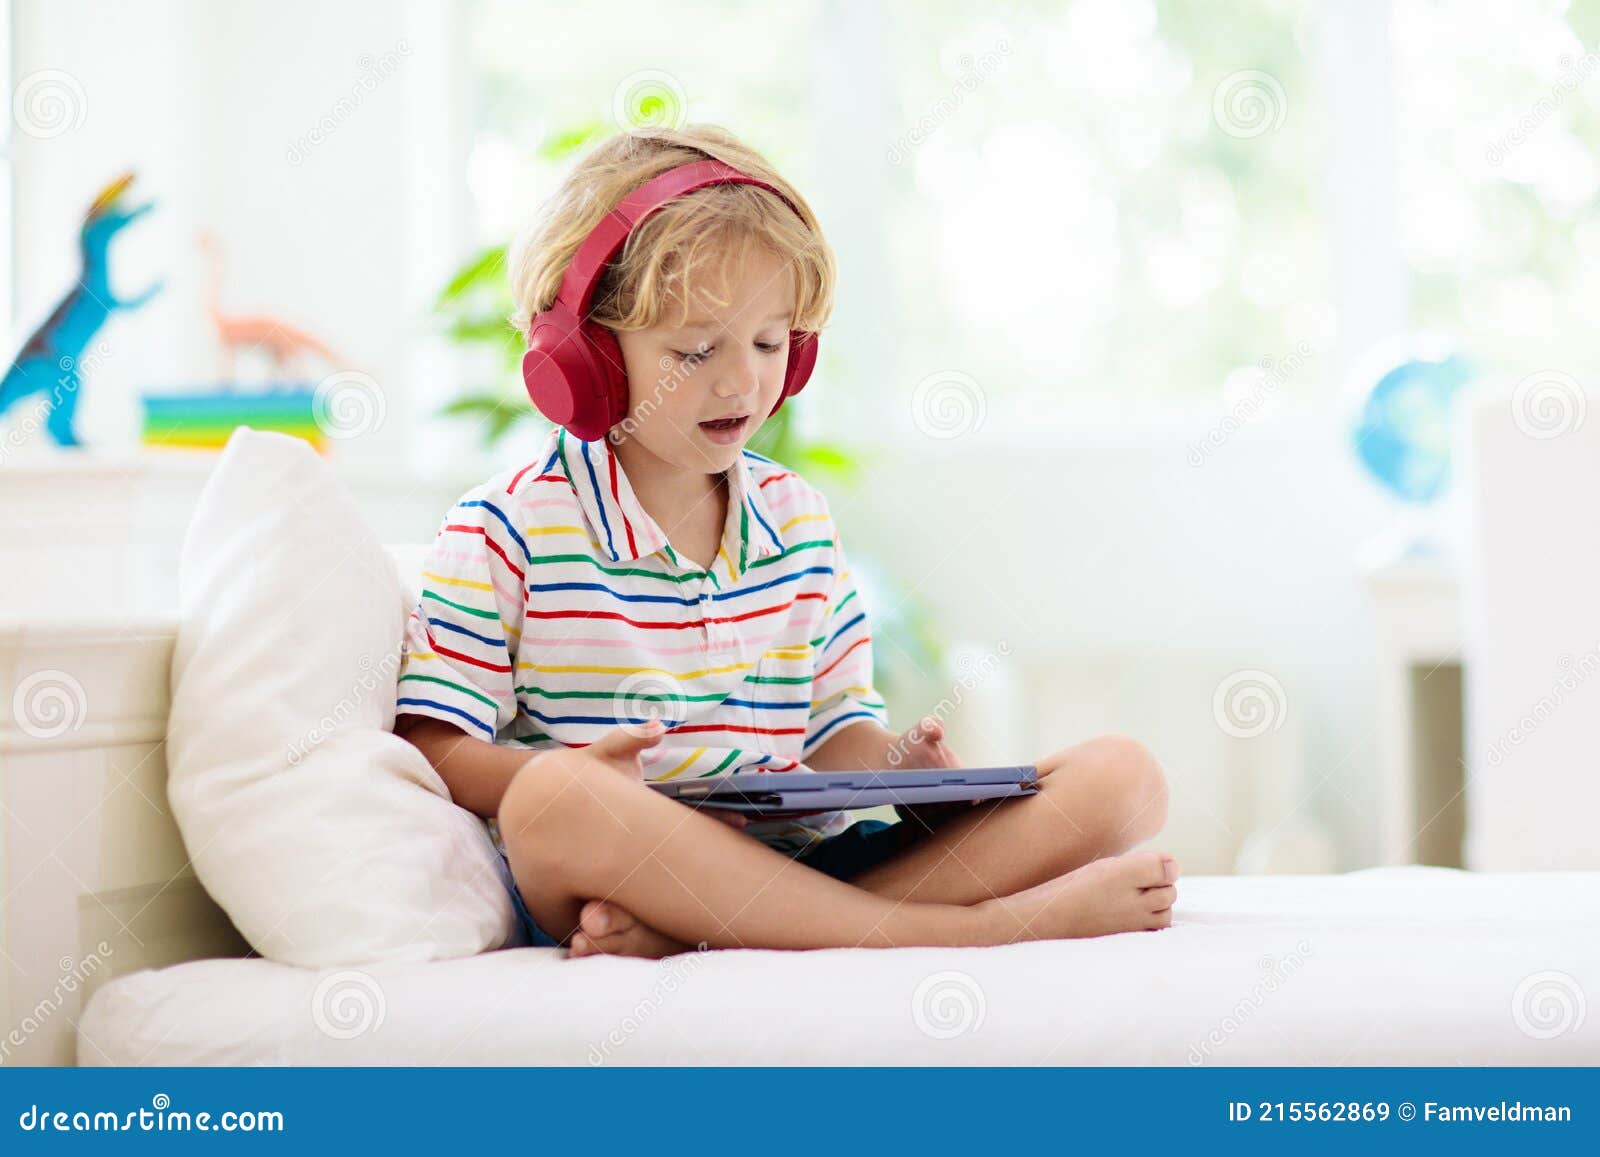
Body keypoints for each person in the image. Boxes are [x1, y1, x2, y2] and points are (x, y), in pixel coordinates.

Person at [393, 124, 1176, 959]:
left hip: (803, 865)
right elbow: (434, 745)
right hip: (619, 864)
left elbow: (835, 732)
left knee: (1124, 777)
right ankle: (969, 929)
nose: (742, 380)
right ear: (588, 359)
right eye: (695, 350)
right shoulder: (506, 528)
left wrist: (898, 766)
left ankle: (704, 936)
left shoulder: (796, 517)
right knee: (553, 799)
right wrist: (592, 780)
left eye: (769, 343)